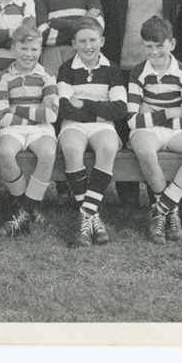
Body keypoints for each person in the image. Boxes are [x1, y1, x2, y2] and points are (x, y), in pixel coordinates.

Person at [97, 0, 182, 208]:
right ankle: (126, 198)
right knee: (125, 133)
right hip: (121, 66)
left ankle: (157, 195)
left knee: (156, 134)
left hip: (158, 72)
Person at [127, 16, 182, 244]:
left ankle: (162, 207)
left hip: (172, 133)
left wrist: (151, 114)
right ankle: (170, 212)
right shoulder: (138, 73)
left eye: (160, 46)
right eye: (149, 46)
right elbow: (133, 121)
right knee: (145, 149)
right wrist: (169, 112)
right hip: (147, 134)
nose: (154, 52)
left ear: (172, 44)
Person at [57, 17, 126, 246]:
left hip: (103, 126)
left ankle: (86, 215)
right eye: (82, 41)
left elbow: (119, 110)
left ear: (102, 41)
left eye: (93, 40)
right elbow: (65, 107)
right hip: (72, 124)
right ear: (74, 43)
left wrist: (85, 104)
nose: (88, 46)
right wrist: (100, 109)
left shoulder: (112, 70)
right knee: (71, 148)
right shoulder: (66, 69)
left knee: (107, 146)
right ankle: (92, 217)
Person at [0, 25, 59, 236]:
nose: (29, 54)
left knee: (48, 152)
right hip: (12, 129)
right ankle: (29, 209)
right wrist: (35, 110)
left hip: (41, 130)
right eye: (24, 49)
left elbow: (51, 115)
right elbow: (2, 117)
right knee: (5, 153)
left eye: (34, 49)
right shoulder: (3, 78)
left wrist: (17, 108)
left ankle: (22, 214)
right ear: (13, 50)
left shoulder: (47, 75)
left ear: (40, 51)